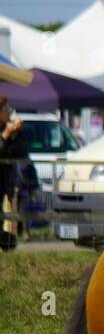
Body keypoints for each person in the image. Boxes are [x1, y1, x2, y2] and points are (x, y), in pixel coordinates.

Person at [0, 96, 27, 252]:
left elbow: (21, 151)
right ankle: (8, 242)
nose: (9, 113)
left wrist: (16, 133)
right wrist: (5, 135)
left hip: (5, 182)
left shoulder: (10, 130)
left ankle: (8, 243)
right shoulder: (5, 132)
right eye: (5, 110)